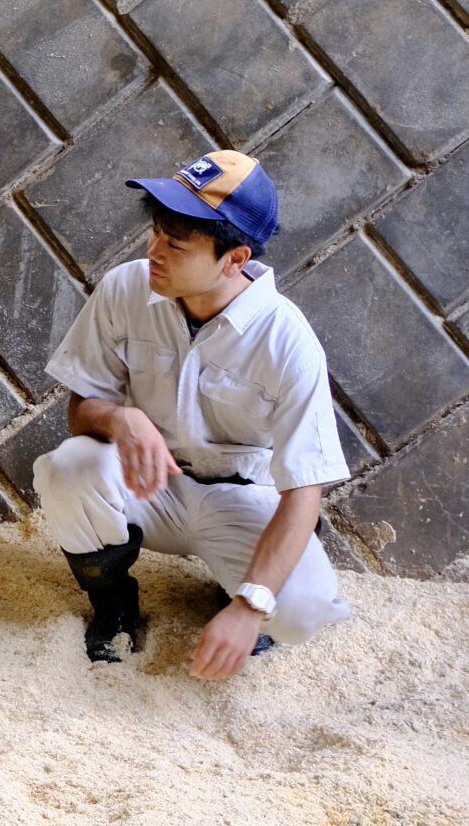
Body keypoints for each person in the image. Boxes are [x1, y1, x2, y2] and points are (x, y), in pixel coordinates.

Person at [33, 149, 352, 680]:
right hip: (151, 487)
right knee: (70, 467)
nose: (153, 252)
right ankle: (113, 608)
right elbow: (83, 410)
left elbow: (304, 492)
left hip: (243, 499)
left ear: (235, 258)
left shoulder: (287, 340)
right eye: (156, 232)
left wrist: (251, 608)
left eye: (175, 244)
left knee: (303, 612)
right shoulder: (126, 288)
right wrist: (121, 421)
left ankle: (236, 589)